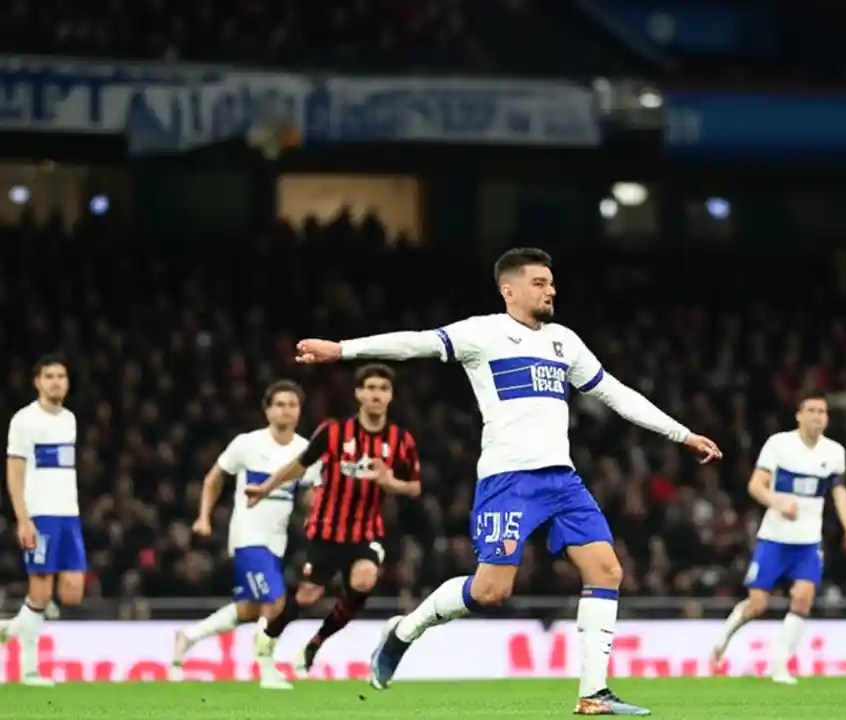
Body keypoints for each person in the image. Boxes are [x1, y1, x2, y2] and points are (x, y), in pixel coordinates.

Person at [293, 247, 721, 715]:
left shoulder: (564, 342)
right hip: (509, 480)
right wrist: (342, 349)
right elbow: (416, 343)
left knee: (607, 571)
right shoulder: (484, 333)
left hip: (562, 479)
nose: (550, 290)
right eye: (539, 283)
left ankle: (593, 693)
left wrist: (681, 434)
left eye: (551, 282)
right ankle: (404, 630)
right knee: (490, 591)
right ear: (509, 290)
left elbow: (616, 393)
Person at [246, 364, 422, 680]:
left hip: (365, 532)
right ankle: (268, 635)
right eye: (370, 388)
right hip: (326, 530)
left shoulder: (401, 440)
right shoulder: (333, 432)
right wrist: (265, 487)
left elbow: (414, 487)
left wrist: (390, 482)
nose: (376, 394)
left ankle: (315, 643)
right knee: (307, 597)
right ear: (358, 394)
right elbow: (300, 465)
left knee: (364, 580)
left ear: (391, 396)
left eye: (383, 389)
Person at [171, 380, 320, 689]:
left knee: (250, 610)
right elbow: (214, 478)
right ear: (267, 410)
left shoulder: (306, 451)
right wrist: (203, 516)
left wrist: (314, 509)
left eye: (292, 405)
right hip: (248, 536)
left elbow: (310, 494)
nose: (286, 410)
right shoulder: (247, 444)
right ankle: (266, 669)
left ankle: (188, 636)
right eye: (280, 404)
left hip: (277, 540)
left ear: (299, 411)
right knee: (276, 601)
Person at [710, 391, 846, 684]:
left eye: (822, 412)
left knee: (802, 599)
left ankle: (779, 667)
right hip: (775, 538)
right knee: (757, 604)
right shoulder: (779, 444)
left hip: (809, 541)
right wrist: (777, 502)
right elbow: (756, 485)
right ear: (799, 416)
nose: (818, 417)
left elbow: (838, 490)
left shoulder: (834, 452)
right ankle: (723, 638)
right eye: (812, 411)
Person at [0, 356, 84, 687]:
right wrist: (23, 519)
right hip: (41, 515)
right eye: (49, 376)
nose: (56, 381)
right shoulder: (24, 420)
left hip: (69, 515)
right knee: (40, 592)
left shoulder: (70, 420)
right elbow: (14, 473)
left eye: (61, 376)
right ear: (37, 382)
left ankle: (11, 629)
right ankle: (29, 670)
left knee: (72, 592)